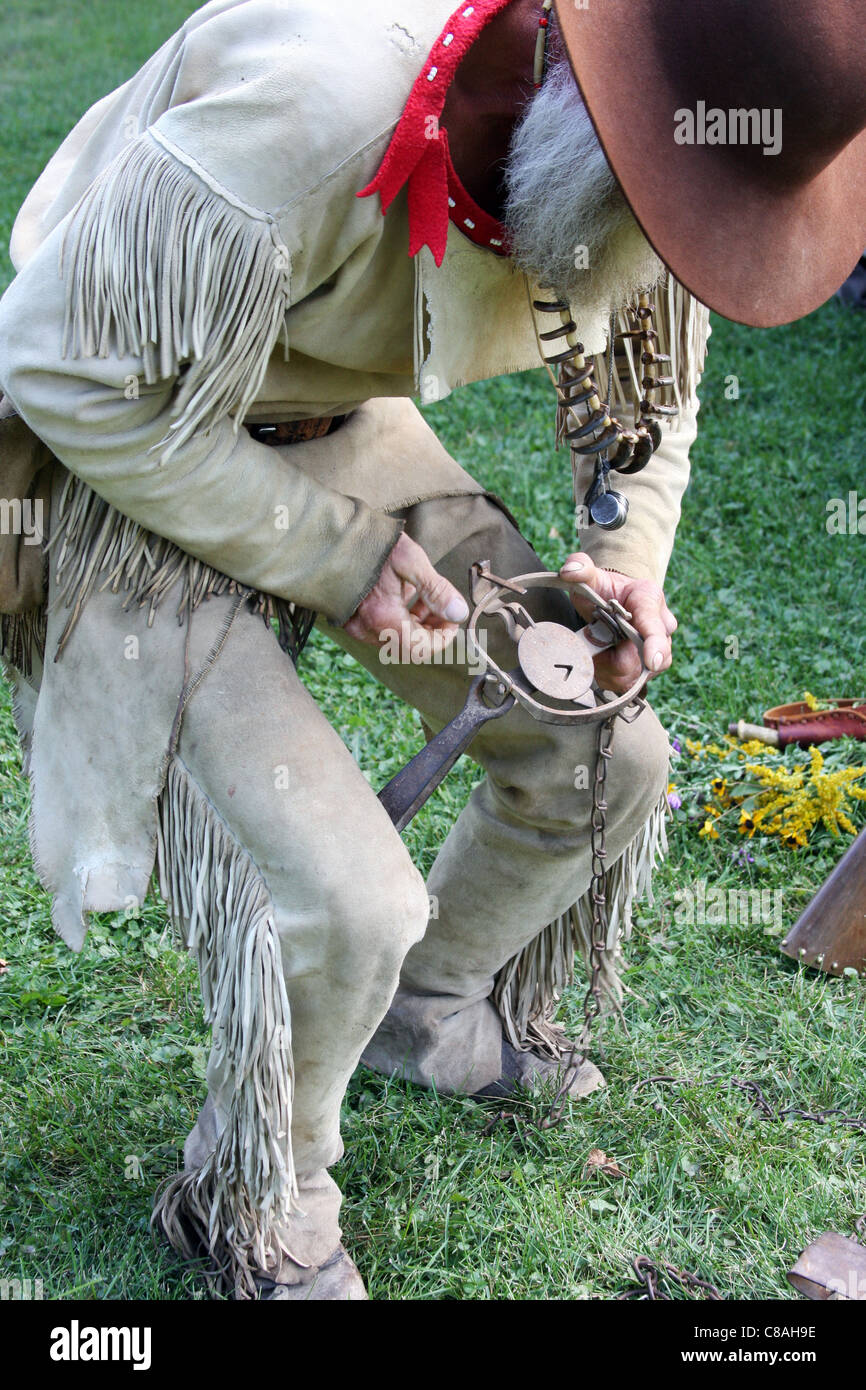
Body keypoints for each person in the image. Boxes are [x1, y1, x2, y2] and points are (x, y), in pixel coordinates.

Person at [0, 0, 864, 1300]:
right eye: (658, 204)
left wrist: (617, 579)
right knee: (353, 899)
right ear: (580, 90)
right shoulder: (313, 99)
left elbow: (646, 389)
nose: (665, 249)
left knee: (601, 750)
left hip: (327, 417)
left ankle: (428, 1009)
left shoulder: (648, 162)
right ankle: (254, 1195)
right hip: (124, 448)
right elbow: (60, 368)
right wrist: (335, 559)